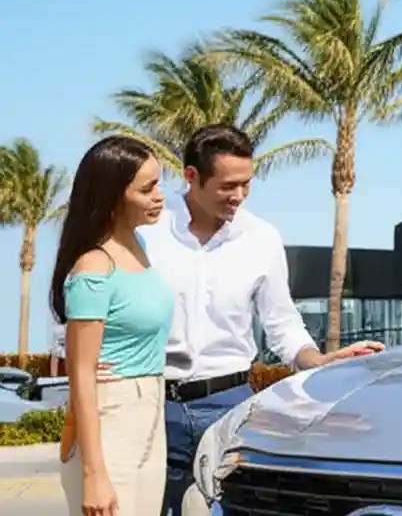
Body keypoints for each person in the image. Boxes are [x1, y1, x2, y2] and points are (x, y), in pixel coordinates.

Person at [138, 124, 384, 516]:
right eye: (227, 186)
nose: (238, 196)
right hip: (149, 404)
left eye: (246, 184)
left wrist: (315, 361)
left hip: (227, 405)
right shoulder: (146, 229)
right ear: (191, 177)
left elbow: (282, 321)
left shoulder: (261, 238)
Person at [53, 135, 172, 516]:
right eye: (147, 188)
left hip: (149, 409)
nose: (160, 196)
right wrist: (94, 472)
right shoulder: (94, 268)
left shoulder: (139, 246)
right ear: (112, 196)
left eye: (159, 183)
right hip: (111, 419)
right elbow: (82, 374)